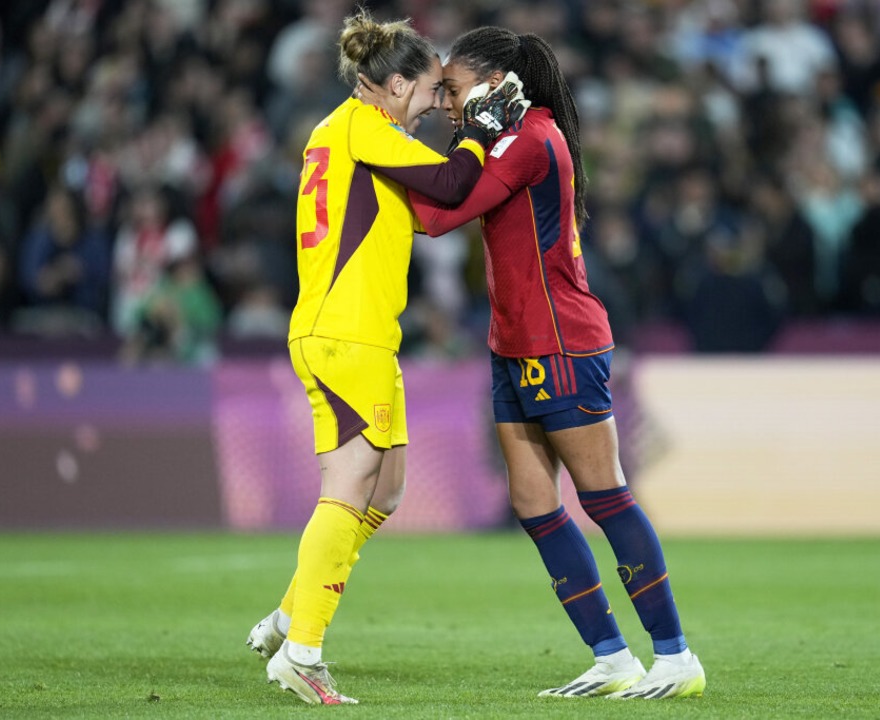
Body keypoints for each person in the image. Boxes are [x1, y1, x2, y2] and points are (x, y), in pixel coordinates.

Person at [407, 27, 706, 700]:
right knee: (533, 502)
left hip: (559, 341)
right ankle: (611, 657)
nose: (448, 104)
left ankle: (674, 655)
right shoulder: (509, 138)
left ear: (495, 86)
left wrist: (390, 160)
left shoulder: (530, 139)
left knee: (603, 496)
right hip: (511, 344)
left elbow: (437, 215)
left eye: (453, 90)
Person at [243, 8, 528, 706]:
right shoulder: (368, 131)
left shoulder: (339, 131)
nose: (438, 104)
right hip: (348, 334)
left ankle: (291, 612)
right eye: (432, 91)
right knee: (348, 484)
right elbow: (457, 187)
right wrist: (482, 136)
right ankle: (303, 651)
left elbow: (431, 211)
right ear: (395, 84)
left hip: (352, 332)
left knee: (385, 490)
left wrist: (466, 148)